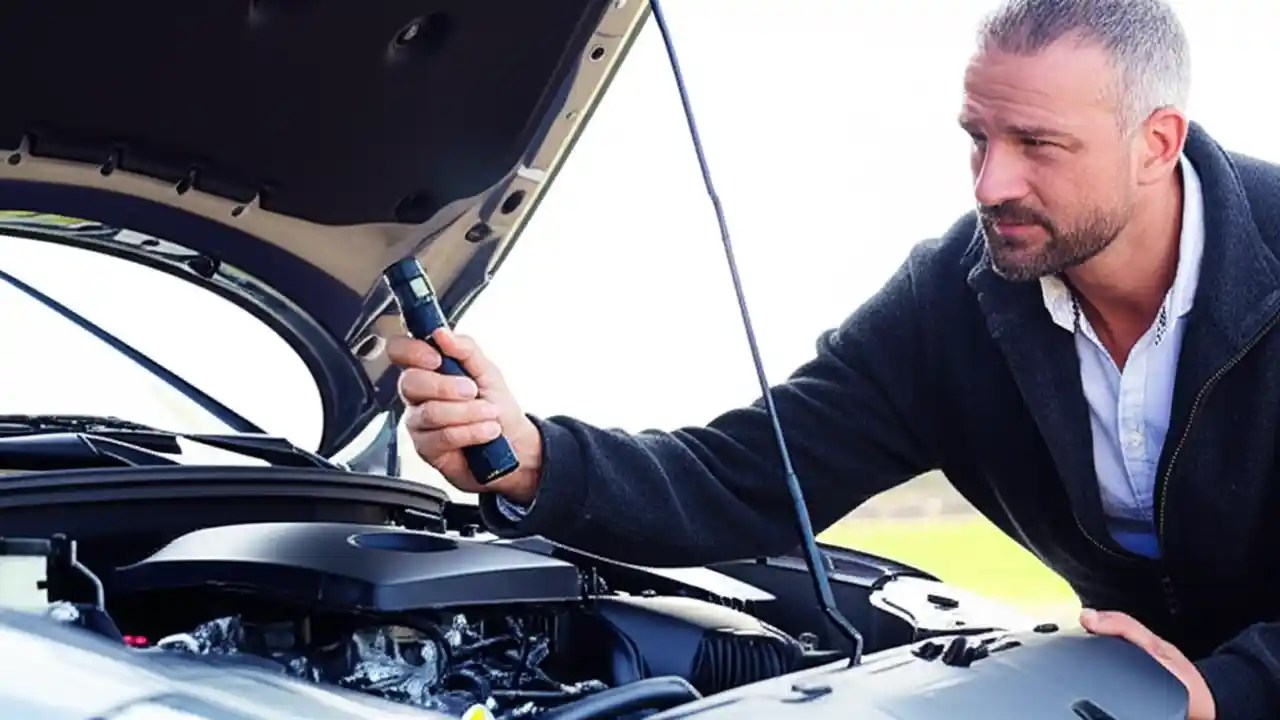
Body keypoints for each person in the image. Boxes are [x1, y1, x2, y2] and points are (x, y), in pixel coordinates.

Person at [388, 1, 1280, 717]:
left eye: (1037, 145)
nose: (990, 184)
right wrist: (534, 458)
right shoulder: (954, 299)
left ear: (1156, 143)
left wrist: (1230, 691)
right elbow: (748, 476)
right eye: (978, 137)